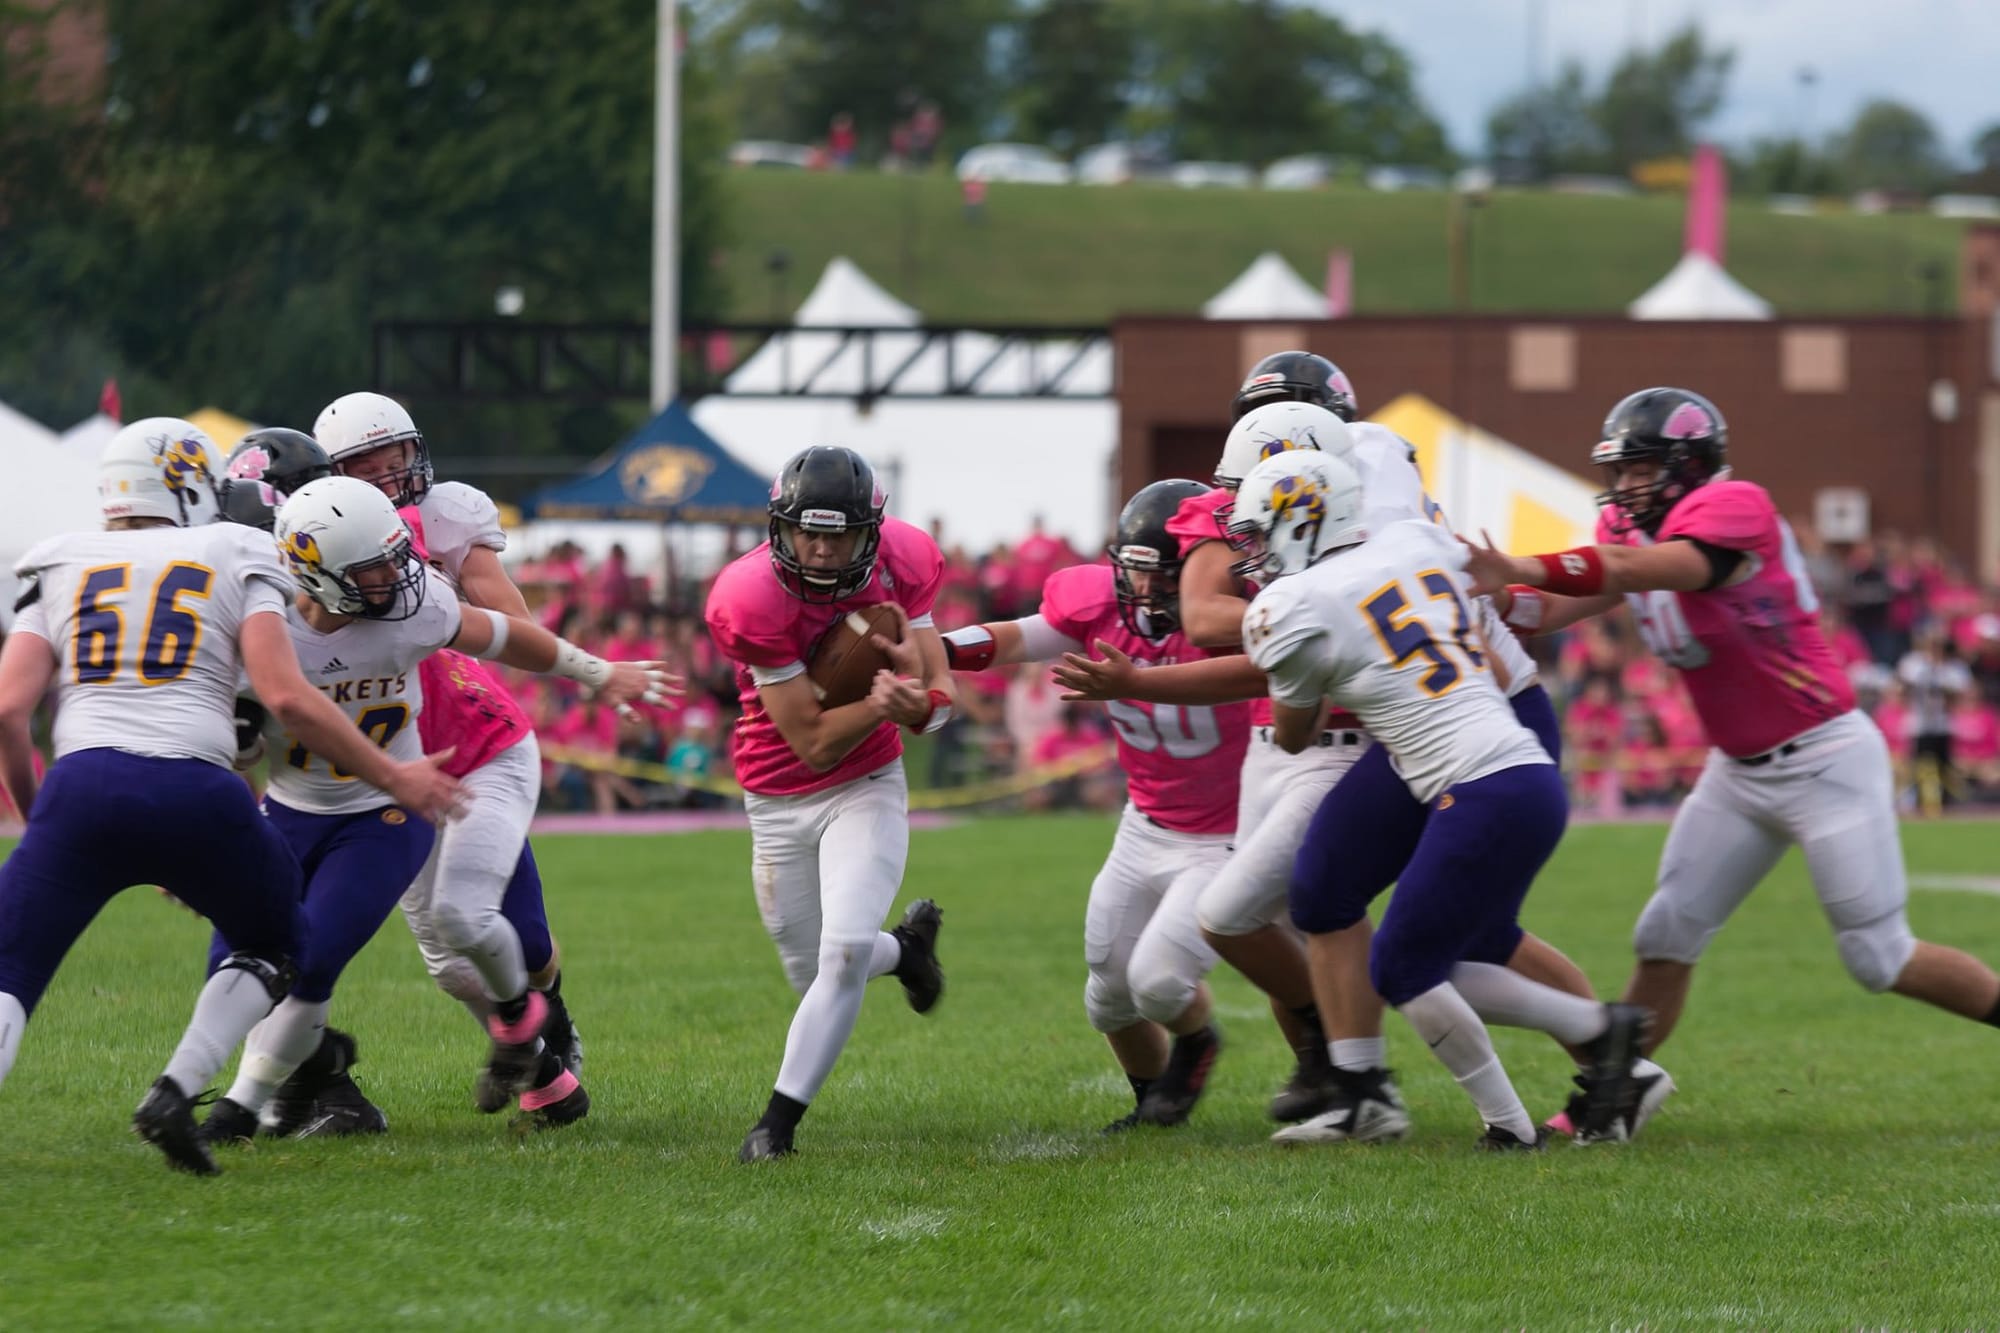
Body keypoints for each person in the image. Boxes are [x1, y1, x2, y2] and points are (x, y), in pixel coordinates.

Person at [1463, 386, 2000, 1071]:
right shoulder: (1627, 533)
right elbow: (1557, 606)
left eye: (1640, 467)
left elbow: (1656, 568)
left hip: (1825, 758)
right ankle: (1617, 1092)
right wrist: (1479, 599)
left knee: (1877, 955)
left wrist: (1520, 562)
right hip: (1738, 771)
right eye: (1619, 470)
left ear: (1688, 464)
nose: (1624, 485)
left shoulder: (1734, 505)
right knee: (1665, 932)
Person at [0, 419, 461, 1175]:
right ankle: (180, 1089)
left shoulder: (58, 559)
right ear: (189, 488)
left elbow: (9, 711)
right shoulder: (238, 547)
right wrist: (397, 775)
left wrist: (35, 815)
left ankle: (280, 1081)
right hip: (197, 785)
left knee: (10, 973)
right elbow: (288, 696)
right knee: (277, 945)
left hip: (79, 785)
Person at [194, 478, 670, 1146]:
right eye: (375, 567)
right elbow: (226, 734)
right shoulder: (256, 617)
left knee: (465, 924)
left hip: (455, 767)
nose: (398, 575)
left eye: (397, 557)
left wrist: (595, 672)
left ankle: (522, 1016)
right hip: (344, 794)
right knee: (433, 964)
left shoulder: (414, 602)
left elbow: (505, 630)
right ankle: (540, 1074)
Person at [1231, 450, 1647, 1148]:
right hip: (1520, 767)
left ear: (1301, 520)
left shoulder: (1293, 606)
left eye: (1258, 531)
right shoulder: (1414, 542)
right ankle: (1509, 1125)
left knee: (1401, 964)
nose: (1252, 551)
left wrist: (1319, 675)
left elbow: (1296, 736)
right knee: (1395, 940)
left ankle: (1598, 1034)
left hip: (1481, 785)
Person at [944, 480, 1253, 1130]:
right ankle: (1153, 1103)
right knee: (1108, 995)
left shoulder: (1237, 625)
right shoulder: (1097, 605)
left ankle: (1197, 1042)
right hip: (1145, 823)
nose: (1141, 591)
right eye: (1133, 572)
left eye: (1158, 575)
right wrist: (939, 650)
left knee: (1160, 982)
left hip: (1226, 834)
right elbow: (1012, 638)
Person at [315, 392, 590, 1105]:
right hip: (388, 765)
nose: (386, 475)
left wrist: (423, 591)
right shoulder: (310, 543)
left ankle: (550, 1011)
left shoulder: (445, 517)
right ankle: (530, 1053)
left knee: (522, 941)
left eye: (394, 458)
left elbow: (513, 623)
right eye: (363, 466)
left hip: (470, 744)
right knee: (451, 965)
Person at [703, 445, 950, 1161]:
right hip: (777, 794)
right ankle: (905, 950)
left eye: (836, 533)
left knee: (841, 954)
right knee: (811, 972)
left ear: (869, 534)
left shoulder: (907, 561)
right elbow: (811, 743)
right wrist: (886, 704)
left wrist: (918, 705)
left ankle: (774, 1126)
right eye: (805, 530)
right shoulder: (748, 596)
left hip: (865, 787)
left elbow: (943, 697)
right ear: (778, 526)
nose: (817, 547)